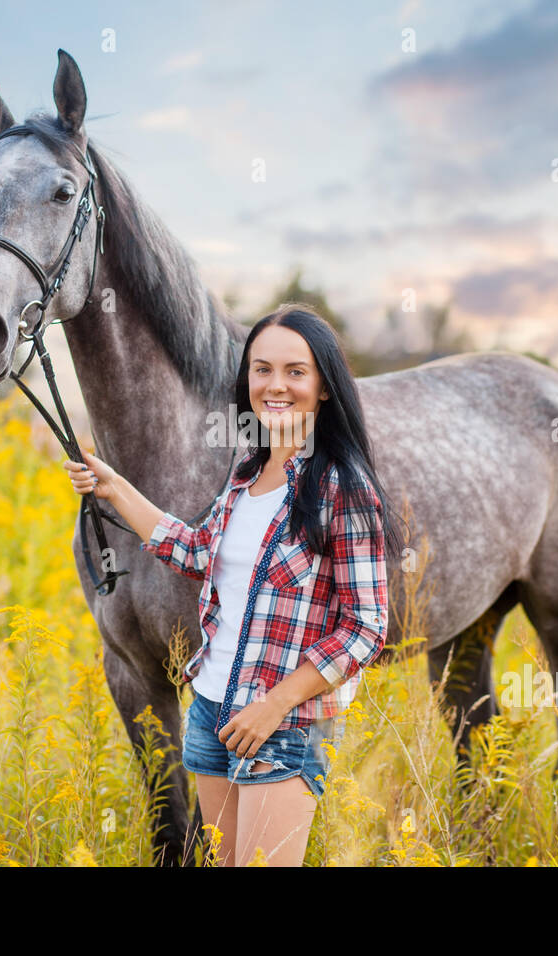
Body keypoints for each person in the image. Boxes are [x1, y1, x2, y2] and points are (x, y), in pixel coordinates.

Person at [63, 303, 404, 866]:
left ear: (323, 387)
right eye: (262, 369)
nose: (275, 385)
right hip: (211, 711)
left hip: (283, 726)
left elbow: (366, 628)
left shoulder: (344, 487)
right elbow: (197, 551)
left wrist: (274, 705)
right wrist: (114, 487)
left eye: (296, 372)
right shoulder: (246, 475)